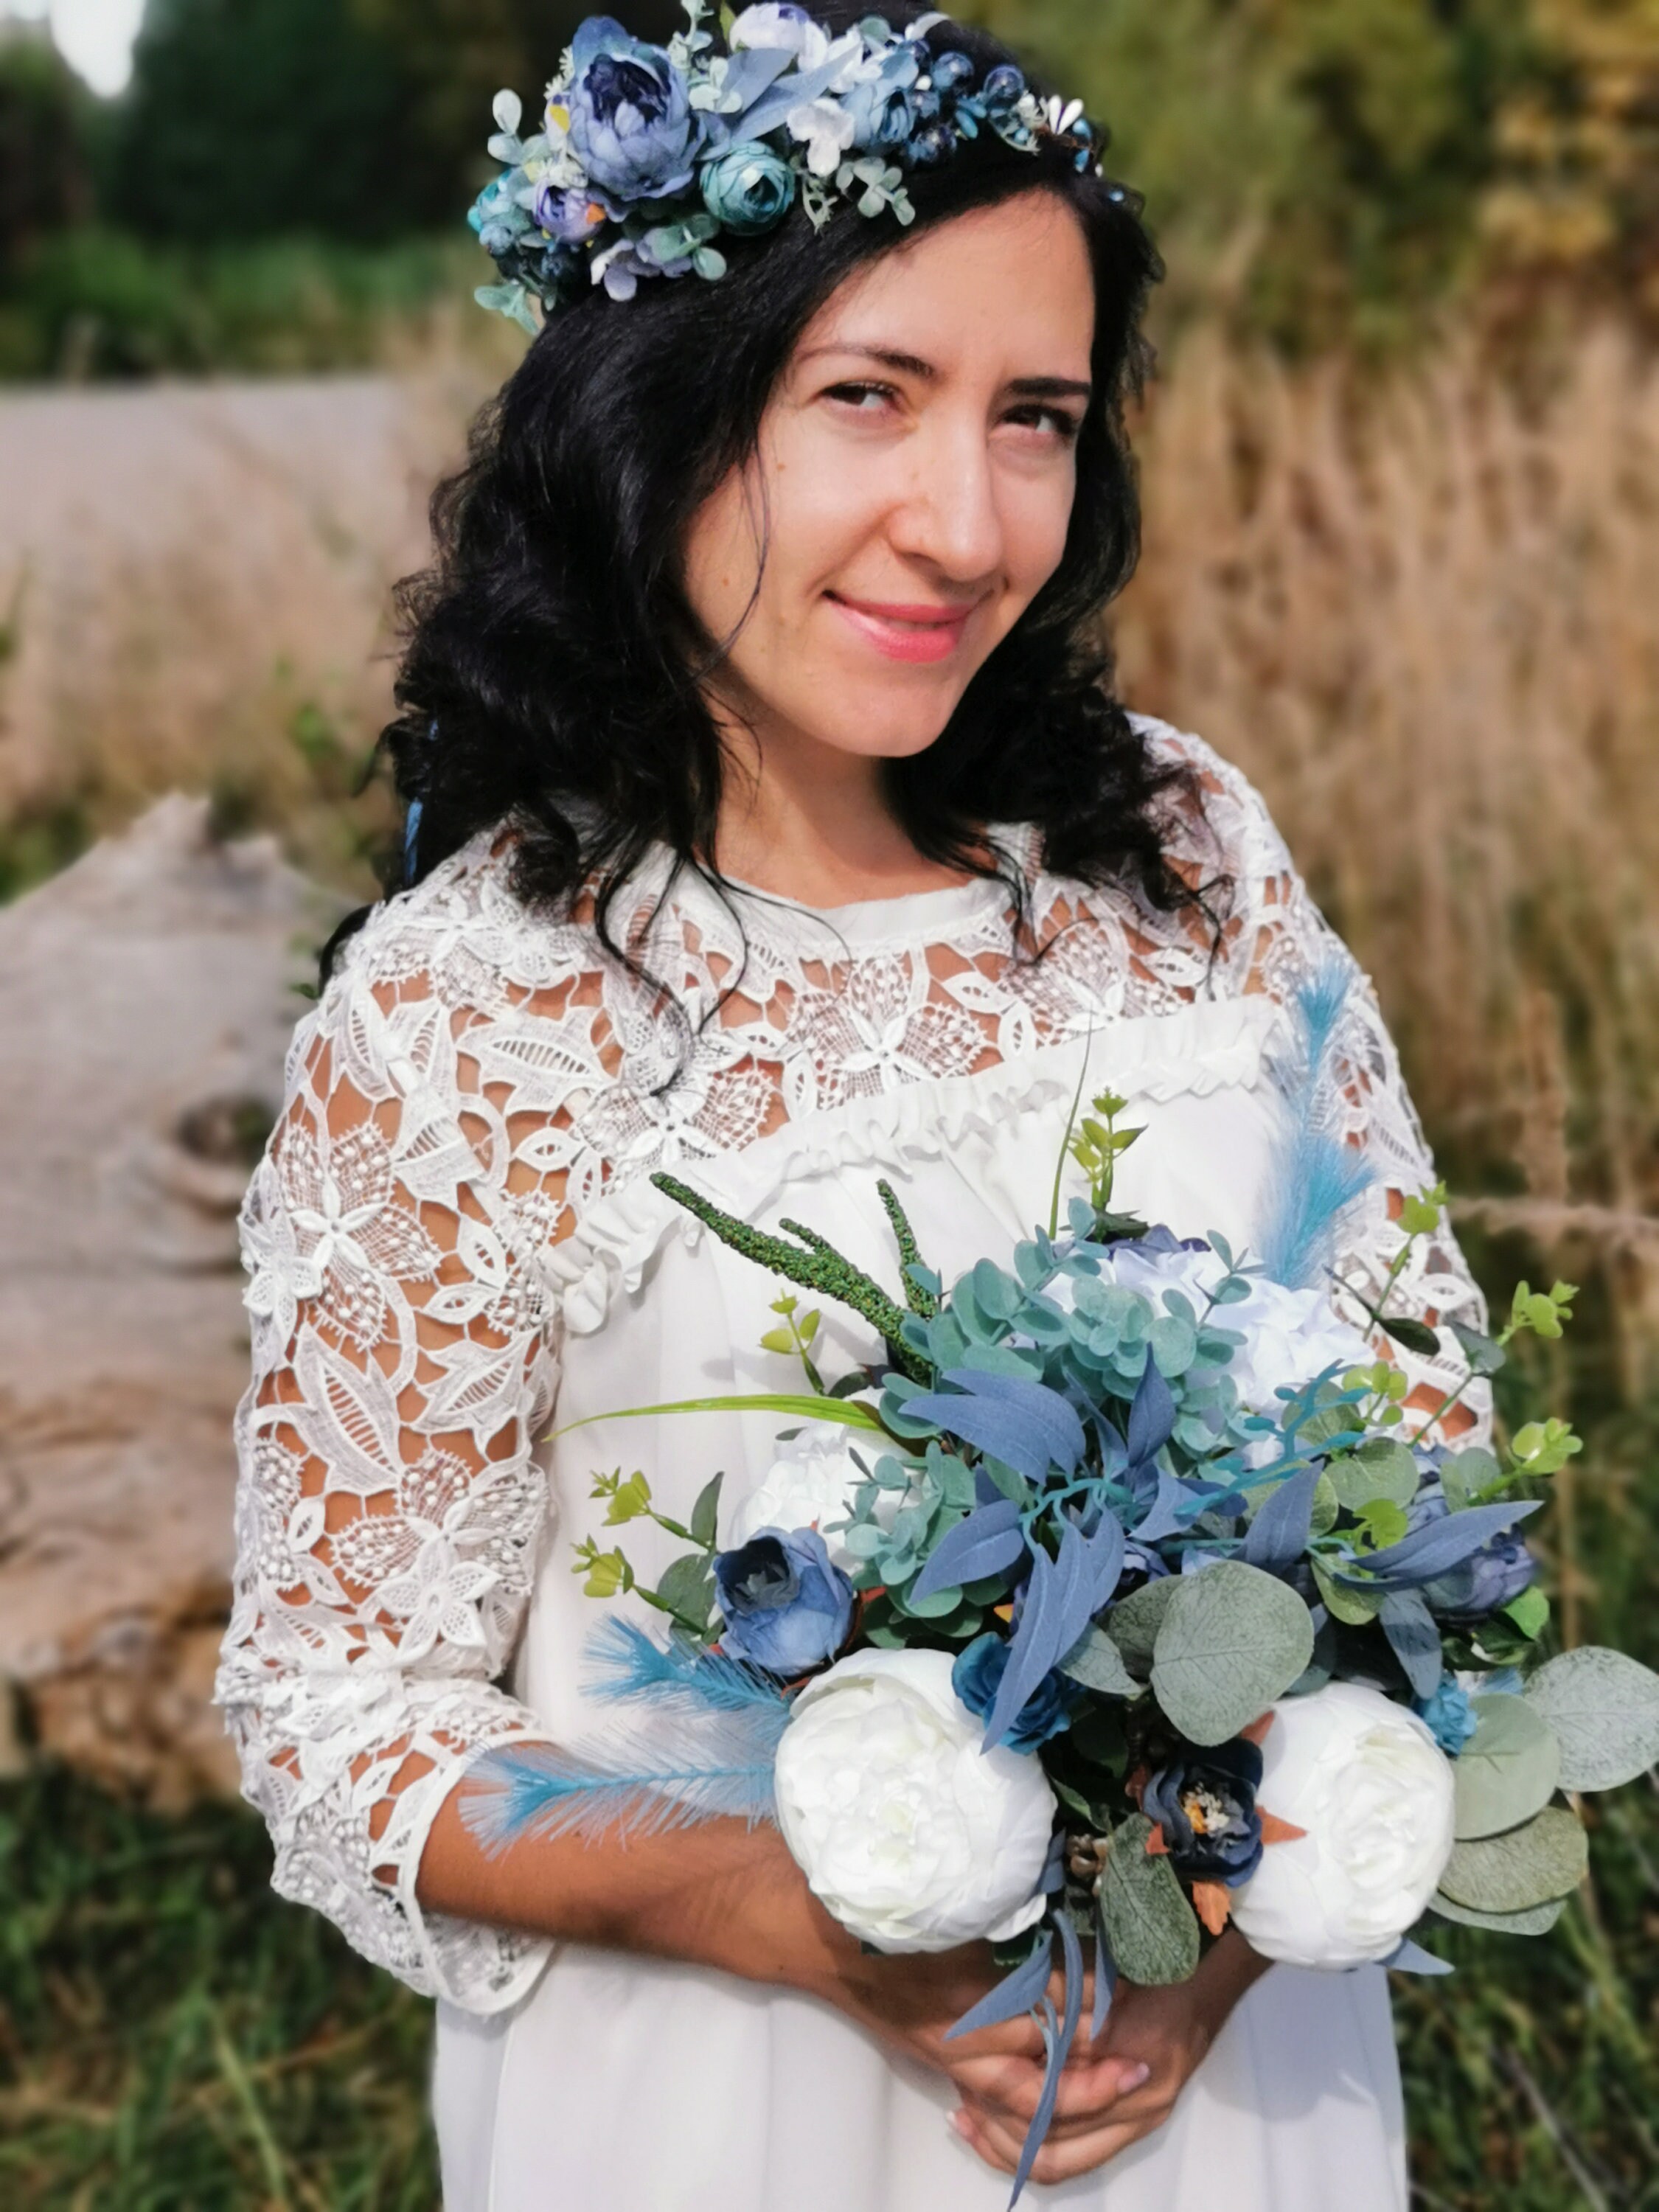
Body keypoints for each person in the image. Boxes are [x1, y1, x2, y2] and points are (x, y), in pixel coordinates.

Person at [217, 5, 1489, 2204]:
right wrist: (807, 1922)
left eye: (1036, 420)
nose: (964, 523)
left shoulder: (1178, 853)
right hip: (727, 2108)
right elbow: (345, 1710)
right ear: (657, 418)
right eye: (864, 401)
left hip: (1233, 2091)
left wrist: (1217, 1915)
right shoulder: (474, 1005)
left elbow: (1427, 1413)